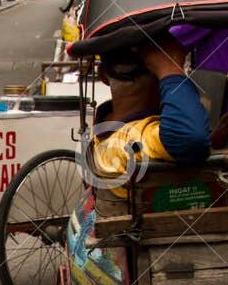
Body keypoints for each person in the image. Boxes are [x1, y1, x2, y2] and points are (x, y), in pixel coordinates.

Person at [89, 39, 210, 185]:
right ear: (157, 72)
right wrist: (170, 70)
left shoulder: (105, 122)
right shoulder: (128, 140)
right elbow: (190, 138)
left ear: (103, 76)